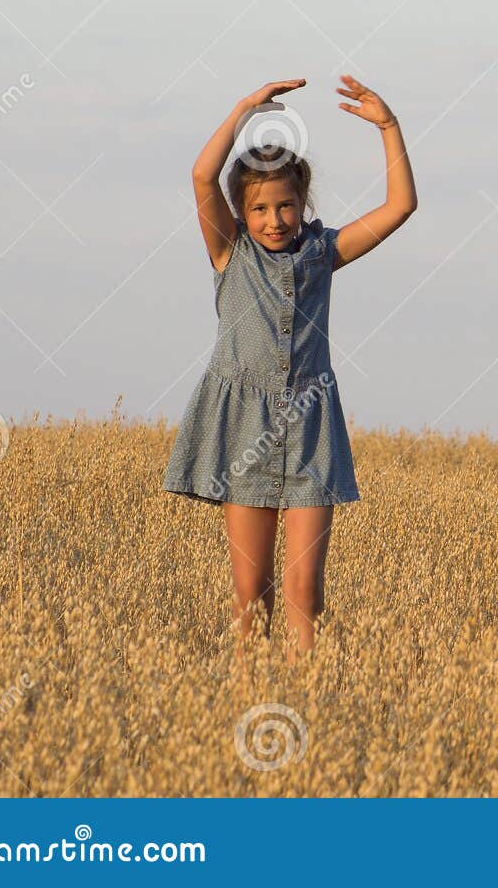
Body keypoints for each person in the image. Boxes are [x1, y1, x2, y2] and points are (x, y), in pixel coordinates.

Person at [162, 75, 417, 661]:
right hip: (242, 431)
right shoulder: (230, 252)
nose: (273, 219)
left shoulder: (324, 253)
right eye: (258, 208)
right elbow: (202, 175)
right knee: (252, 595)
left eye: (285, 205)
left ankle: (310, 699)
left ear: (304, 204)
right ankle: (250, 697)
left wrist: (388, 126)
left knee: (306, 592)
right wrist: (244, 109)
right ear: (241, 212)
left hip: (310, 431)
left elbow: (401, 206)